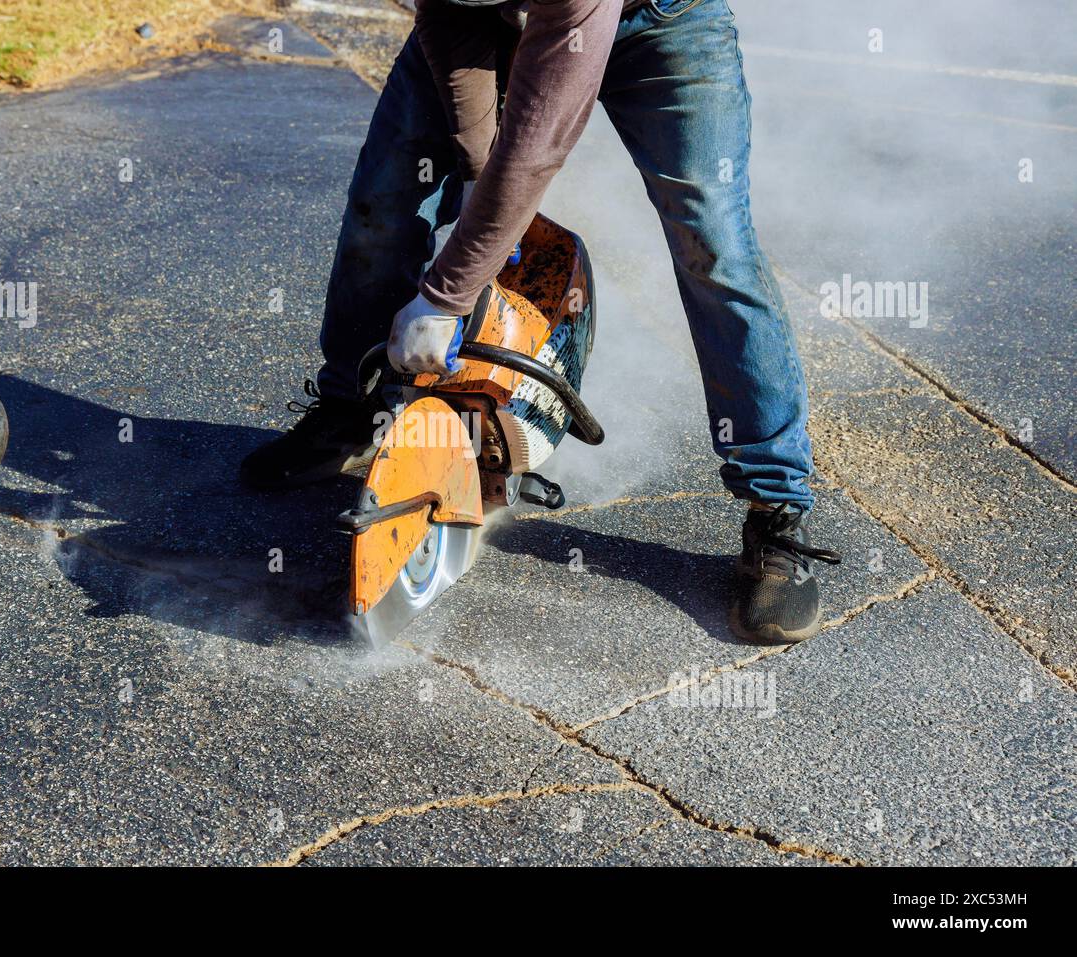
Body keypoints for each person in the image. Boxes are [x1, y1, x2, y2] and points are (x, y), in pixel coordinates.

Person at [240, 0, 841, 643]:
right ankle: (353, 411)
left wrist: (445, 296)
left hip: (664, 23)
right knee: (387, 194)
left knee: (714, 244)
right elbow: (448, 21)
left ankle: (775, 504)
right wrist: (477, 176)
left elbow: (536, 146)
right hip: (499, 21)